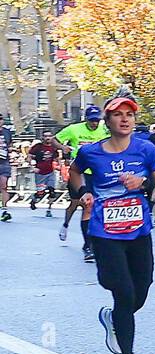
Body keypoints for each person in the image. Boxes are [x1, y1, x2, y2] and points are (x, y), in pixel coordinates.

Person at [68, 97, 155, 354]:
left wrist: (145, 184)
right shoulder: (91, 152)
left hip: (139, 231)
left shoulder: (146, 150)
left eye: (130, 115)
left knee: (142, 288)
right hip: (105, 231)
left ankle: (114, 318)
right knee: (123, 292)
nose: (125, 119)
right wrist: (84, 191)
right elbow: (75, 172)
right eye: (118, 115)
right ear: (107, 121)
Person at [56, 106, 110, 260]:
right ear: (85, 119)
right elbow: (55, 139)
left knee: (92, 206)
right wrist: (63, 147)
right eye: (92, 120)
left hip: (98, 173)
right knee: (76, 204)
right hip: (78, 173)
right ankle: (67, 224)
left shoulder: (104, 130)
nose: (94, 123)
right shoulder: (74, 129)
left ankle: (90, 245)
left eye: (97, 120)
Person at [28, 131, 61, 217]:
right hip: (40, 172)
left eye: (49, 136)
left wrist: (59, 166)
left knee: (52, 192)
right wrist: (32, 167)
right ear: (42, 137)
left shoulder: (54, 147)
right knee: (40, 193)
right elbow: (29, 156)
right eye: (45, 136)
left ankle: (49, 209)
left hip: (50, 172)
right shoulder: (38, 147)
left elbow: (57, 158)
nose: (48, 138)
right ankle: (34, 200)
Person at [0, 116, 12, 222]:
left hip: (4, 162)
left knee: (4, 186)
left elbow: (10, 144)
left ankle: (4, 210)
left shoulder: (7, 132)